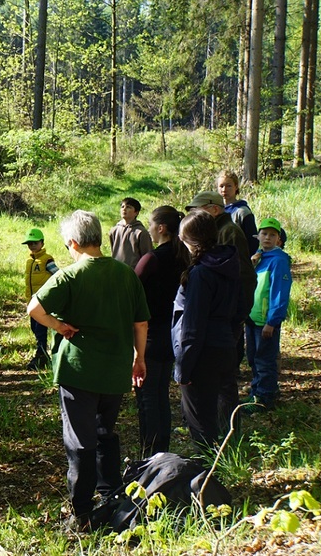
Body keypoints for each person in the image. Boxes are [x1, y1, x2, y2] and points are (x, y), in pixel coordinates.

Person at [26, 210, 149, 532]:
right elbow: (140, 322)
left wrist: (60, 326)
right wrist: (140, 359)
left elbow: (34, 309)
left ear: (73, 242)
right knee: (105, 433)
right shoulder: (125, 274)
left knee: (80, 442)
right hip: (115, 369)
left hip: (79, 370)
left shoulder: (70, 275)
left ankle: (81, 513)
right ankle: (110, 498)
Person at [186, 190, 256, 435]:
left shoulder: (228, 232)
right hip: (221, 320)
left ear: (214, 208)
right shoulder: (216, 232)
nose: (195, 214)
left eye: (198, 209)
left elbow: (244, 277)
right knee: (218, 381)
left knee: (225, 382)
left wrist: (236, 317)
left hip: (226, 321)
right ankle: (219, 430)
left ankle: (228, 435)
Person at [172, 210, 242, 451]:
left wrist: (183, 367)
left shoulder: (201, 273)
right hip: (225, 346)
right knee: (225, 417)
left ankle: (207, 477)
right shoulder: (229, 264)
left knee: (201, 424)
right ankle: (228, 463)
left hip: (202, 354)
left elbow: (193, 325)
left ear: (189, 240)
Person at [133, 206, 189, 457]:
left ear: (162, 228)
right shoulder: (183, 257)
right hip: (173, 336)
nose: (149, 229)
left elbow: (131, 290)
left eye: (150, 224)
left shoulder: (152, 259)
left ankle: (150, 454)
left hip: (150, 337)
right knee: (161, 395)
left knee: (147, 398)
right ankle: (161, 451)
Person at [245, 218, 292, 412]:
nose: (267, 238)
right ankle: (258, 391)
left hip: (266, 321)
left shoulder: (279, 260)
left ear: (279, 239)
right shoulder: (259, 258)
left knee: (265, 359)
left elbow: (280, 293)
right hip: (252, 318)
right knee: (253, 358)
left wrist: (272, 321)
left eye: (272, 235)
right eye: (264, 234)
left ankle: (264, 399)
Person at [23, 227, 59, 369]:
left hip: (42, 302)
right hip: (32, 301)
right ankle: (43, 354)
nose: (32, 246)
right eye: (29, 244)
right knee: (35, 328)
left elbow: (58, 275)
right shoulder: (29, 261)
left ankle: (41, 355)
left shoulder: (46, 259)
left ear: (42, 243)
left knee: (40, 329)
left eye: (35, 243)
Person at [216, 170, 258, 256]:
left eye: (229, 186)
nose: (224, 189)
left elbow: (253, 242)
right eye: (221, 186)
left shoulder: (242, 212)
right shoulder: (215, 210)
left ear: (236, 187)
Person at [109, 197, 153, 269]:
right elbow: (113, 250)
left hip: (133, 273)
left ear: (136, 212)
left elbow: (147, 256)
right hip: (116, 271)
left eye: (128, 207)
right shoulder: (114, 230)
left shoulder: (141, 232)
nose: (124, 209)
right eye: (122, 207)